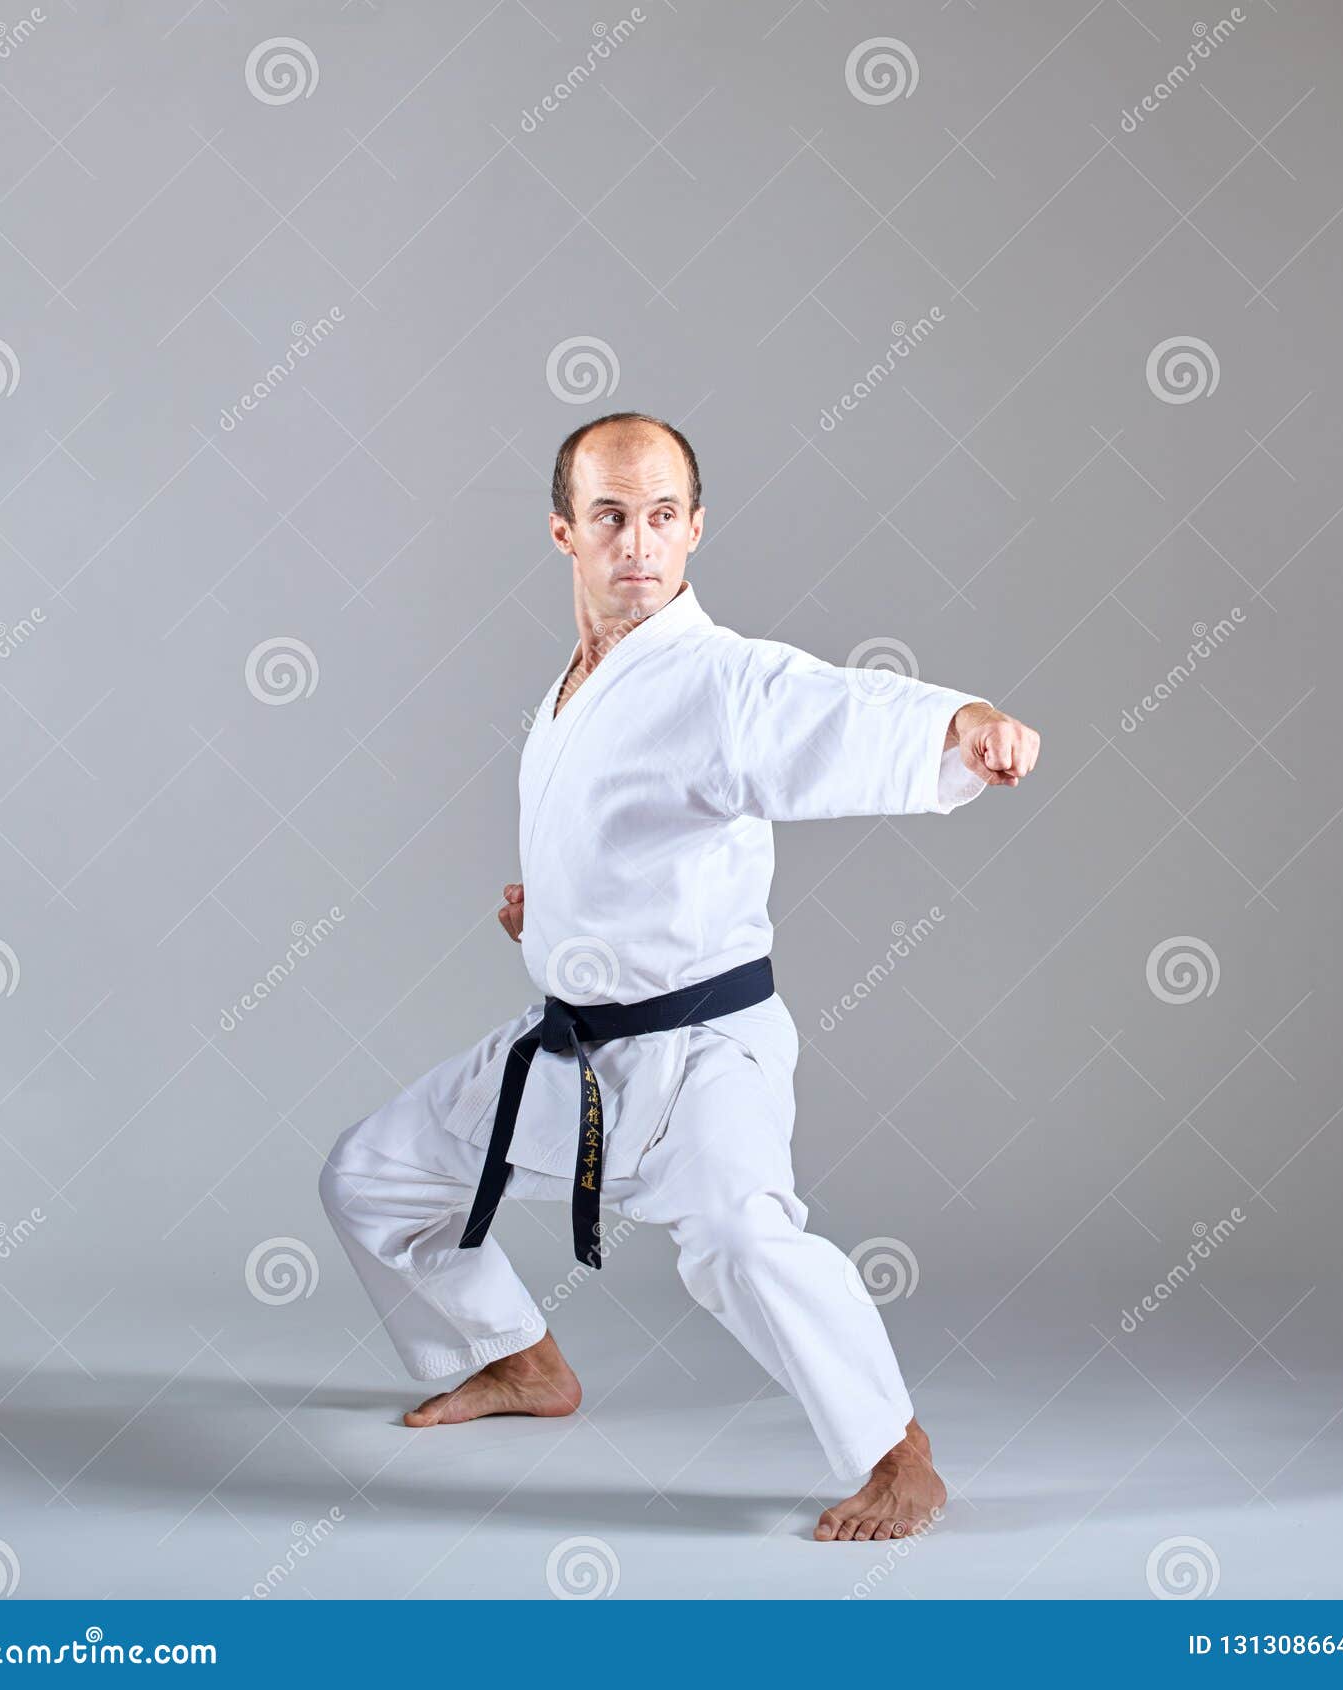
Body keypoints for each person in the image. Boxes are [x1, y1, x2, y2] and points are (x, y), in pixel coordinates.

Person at [319, 412, 1040, 1542]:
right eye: (611, 516)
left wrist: (960, 721)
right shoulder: (577, 680)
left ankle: (897, 1454)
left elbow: (825, 703)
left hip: (705, 1052)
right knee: (371, 1176)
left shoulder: (715, 677)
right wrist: (548, 915)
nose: (639, 545)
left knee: (743, 1241)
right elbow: (620, 828)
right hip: (577, 1043)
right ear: (565, 531)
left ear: (696, 528)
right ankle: (519, 1360)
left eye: (663, 517)